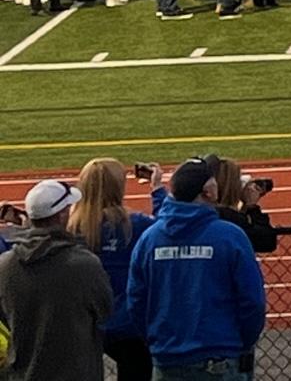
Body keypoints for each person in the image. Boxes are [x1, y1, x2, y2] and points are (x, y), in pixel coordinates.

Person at [130, 159, 268, 381]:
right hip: (219, 356)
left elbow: (136, 300)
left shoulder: (149, 239)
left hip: (167, 357)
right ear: (209, 192)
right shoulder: (230, 236)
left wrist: (157, 340)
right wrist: (239, 342)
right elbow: (253, 301)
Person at [0, 177, 113, 381]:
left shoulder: (5, 265)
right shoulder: (84, 264)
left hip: (24, 373)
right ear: (62, 215)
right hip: (76, 373)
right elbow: (104, 310)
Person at [68, 157, 161, 381]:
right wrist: (157, 189)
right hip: (130, 322)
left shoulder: (72, 226)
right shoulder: (135, 225)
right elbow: (169, 229)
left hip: (86, 321)